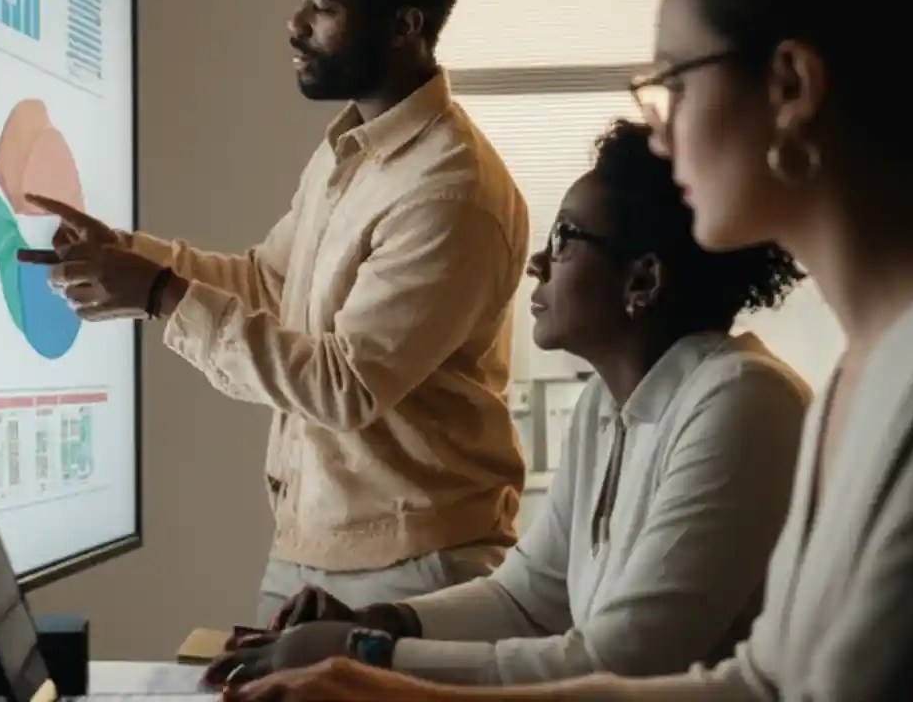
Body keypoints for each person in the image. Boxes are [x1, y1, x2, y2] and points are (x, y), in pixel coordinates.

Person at [219, 0, 913, 700]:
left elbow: (648, 661)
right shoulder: (859, 372)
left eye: (675, 81)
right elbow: (761, 684)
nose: (662, 134)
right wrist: (377, 638)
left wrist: (383, 666)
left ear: (792, 86)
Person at [206, 118, 812, 688]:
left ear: (643, 282)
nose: (536, 263)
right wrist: (382, 621)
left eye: (566, 238)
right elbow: (527, 597)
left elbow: (625, 660)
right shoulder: (606, 404)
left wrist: (366, 654)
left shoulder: (742, 404)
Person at [22, 0, 531, 621]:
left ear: (403, 25)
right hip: (310, 551)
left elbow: (344, 386)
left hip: (416, 571)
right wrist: (130, 256)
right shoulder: (348, 151)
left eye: (322, 6)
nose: (295, 25)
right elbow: (269, 283)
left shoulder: (451, 190)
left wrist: (158, 294)